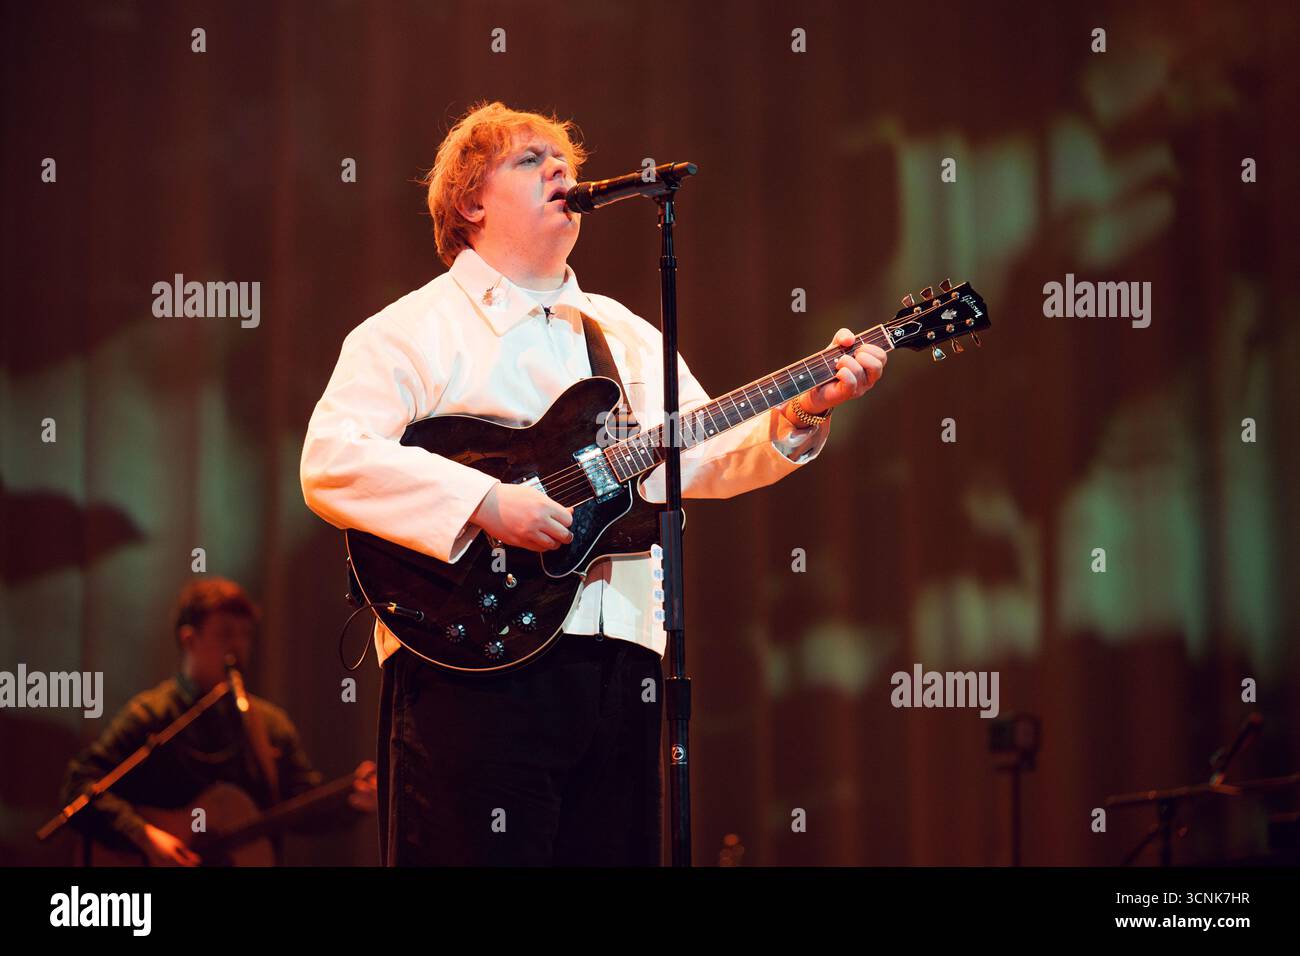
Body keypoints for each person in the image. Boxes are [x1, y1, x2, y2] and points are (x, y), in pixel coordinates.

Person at [299, 100, 886, 865]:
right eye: (529, 159)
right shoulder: (411, 330)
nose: (559, 170)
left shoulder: (623, 332)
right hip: (472, 665)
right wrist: (485, 502)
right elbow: (332, 458)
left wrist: (802, 412)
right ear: (470, 202)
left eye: (565, 161)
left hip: (622, 667)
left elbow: (699, 454)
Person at [59, 577, 377, 866]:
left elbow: (303, 806)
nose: (237, 645)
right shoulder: (152, 714)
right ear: (189, 639)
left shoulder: (268, 726)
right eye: (225, 633)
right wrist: (147, 837)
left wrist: (354, 801)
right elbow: (80, 785)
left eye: (245, 635)